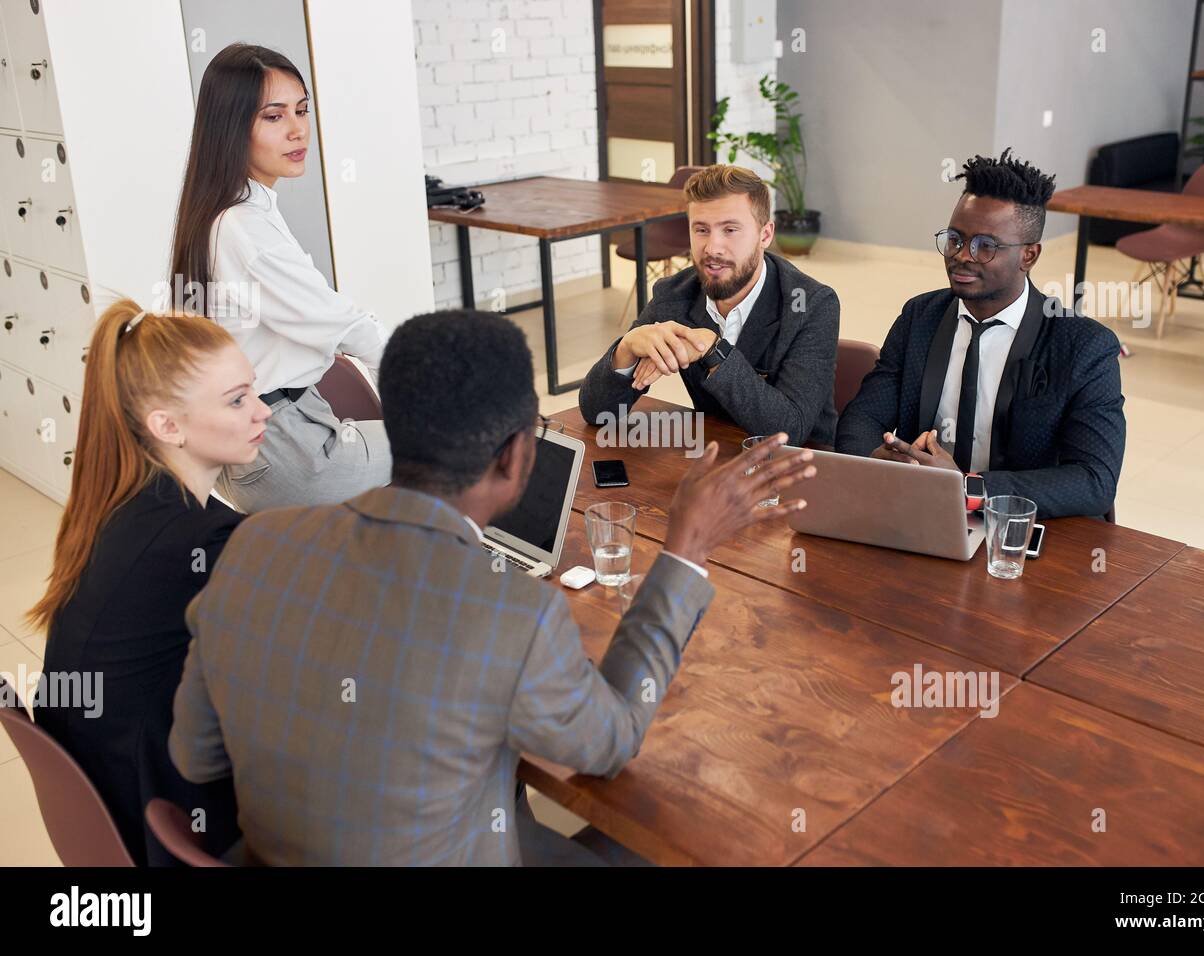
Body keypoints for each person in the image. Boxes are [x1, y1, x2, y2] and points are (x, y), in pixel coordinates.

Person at [168, 309, 816, 866]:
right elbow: (612, 742)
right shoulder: (515, 615)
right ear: (516, 456)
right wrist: (686, 548)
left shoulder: (253, 543)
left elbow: (196, 758)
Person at [25, 299, 266, 864]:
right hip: (169, 822)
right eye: (237, 400)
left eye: (253, 390)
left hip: (112, 800)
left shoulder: (117, 504)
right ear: (167, 425)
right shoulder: (202, 539)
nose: (263, 412)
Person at [835, 149, 1125, 519]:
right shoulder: (919, 317)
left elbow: (1094, 481)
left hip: (1018, 530)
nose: (961, 255)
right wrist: (878, 462)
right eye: (955, 238)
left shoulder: (1084, 346)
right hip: (919, 515)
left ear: (1029, 256)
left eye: (984, 246)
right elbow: (861, 419)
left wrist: (965, 488)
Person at [169, 43, 391, 513]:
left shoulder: (225, 211)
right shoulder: (245, 228)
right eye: (273, 117)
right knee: (459, 444)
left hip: (258, 447)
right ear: (233, 129)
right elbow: (349, 329)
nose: (297, 130)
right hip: (288, 451)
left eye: (302, 110)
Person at [578, 164, 840, 447]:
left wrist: (714, 351)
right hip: (717, 452)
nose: (713, 248)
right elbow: (597, 413)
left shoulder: (811, 304)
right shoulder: (674, 295)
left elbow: (789, 431)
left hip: (805, 467)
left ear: (765, 235)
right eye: (701, 230)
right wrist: (625, 350)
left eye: (730, 230)